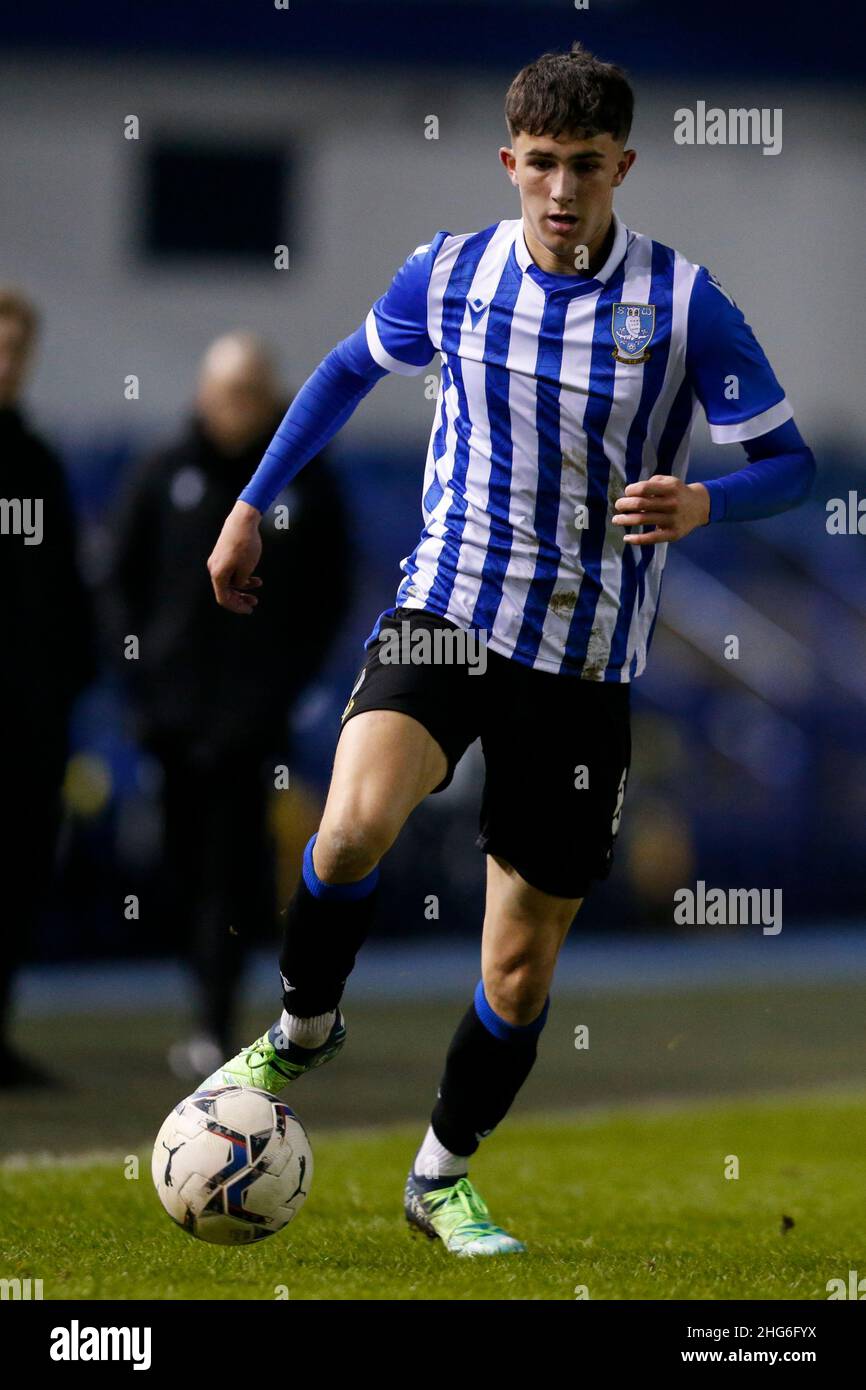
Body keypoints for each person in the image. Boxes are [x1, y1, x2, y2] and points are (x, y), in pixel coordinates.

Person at [201, 45, 815, 1255]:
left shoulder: (683, 303)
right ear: (508, 161)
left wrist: (707, 506)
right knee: (349, 825)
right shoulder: (450, 274)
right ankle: (307, 1023)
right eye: (539, 163)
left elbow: (787, 461)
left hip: (582, 664)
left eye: (584, 165)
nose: (559, 189)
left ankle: (439, 1175)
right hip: (447, 613)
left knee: (521, 968)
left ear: (620, 166)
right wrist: (249, 502)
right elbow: (339, 372)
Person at [114, 332, 351, 1078]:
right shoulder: (163, 470)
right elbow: (118, 579)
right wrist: (142, 679)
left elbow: (331, 594)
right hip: (173, 716)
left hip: (254, 721)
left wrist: (288, 686)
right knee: (186, 865)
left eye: (252, 393)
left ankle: (216, 1017)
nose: (237, 408)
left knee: (234, 868)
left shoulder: (306, 481)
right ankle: (199, 1004)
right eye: (226, 393)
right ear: (202, 396)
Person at [0, 287, 95, 1086]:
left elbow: (61, 591)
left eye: (16, 350)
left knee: (16, 873)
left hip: (30, 718)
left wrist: (66, 688)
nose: (6, 363)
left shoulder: (37, 460)